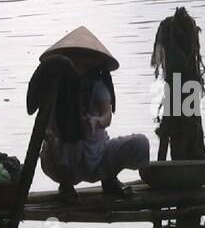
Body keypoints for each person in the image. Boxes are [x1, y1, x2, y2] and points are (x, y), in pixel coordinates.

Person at [35, 27, 149, 203]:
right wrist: (50, 134)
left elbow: (107, 115)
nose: (80, 62)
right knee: (57, 149)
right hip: (64, 156)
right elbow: (44, 122)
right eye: (75, 57)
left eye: (86, 58)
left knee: (140, 143)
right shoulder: (55, 88)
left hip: (96, 151)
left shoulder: (98, 86)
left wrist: (97, 122)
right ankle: (66, 186)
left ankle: (109, 179)